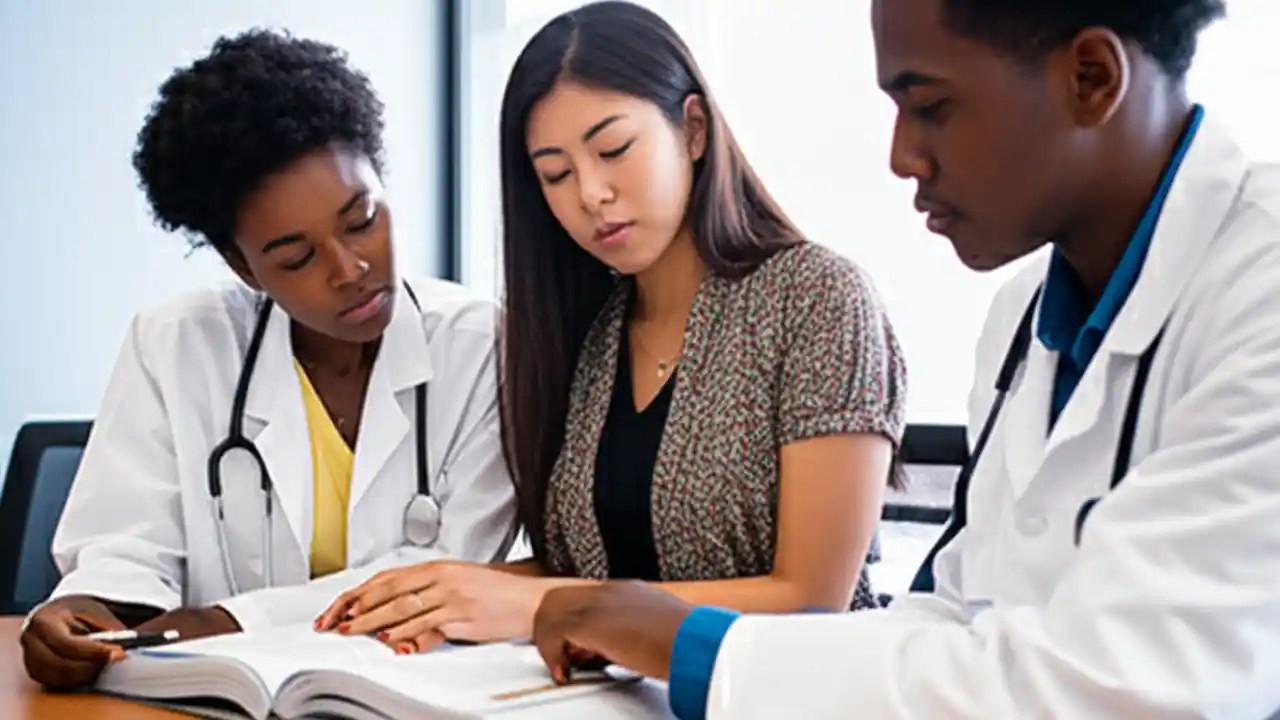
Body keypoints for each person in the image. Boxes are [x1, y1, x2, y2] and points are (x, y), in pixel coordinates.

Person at [529, 1, 1280, 718]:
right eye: (555, 173)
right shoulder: (1022, 320)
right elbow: (953, 616)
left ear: (1090, 78)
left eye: (930, 107)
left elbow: (1126, 686)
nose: (899, 157)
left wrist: (694, 645)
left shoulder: (1257, 292)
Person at [314, 0, 906, 653]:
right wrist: (440, 595)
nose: (590, 193)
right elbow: (588, 576)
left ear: (694, 129)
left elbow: (811, 598)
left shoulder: (817, 299)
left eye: (614, 149)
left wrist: (543, 601)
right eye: (556, 174)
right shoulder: (589, 331)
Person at [20, 29, 516, 689]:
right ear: (242, 267)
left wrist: (225, 619)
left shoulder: (483, 347)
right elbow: (124, 550)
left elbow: (450, 573)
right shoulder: (177, 344)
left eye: (362, 218)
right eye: (295, 257)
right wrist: (85, 610)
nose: (351, 270)